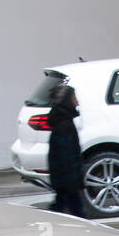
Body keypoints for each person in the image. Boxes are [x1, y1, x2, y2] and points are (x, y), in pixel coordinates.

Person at [47, 85, 84, 216]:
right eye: (74, 98)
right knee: (77, 214)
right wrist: (74, 181)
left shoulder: (63, 122)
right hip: (68, 182)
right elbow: (66, 156)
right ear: (66, 100)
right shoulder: (64, 125)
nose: (77, 101)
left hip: (65, 182)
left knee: (60, 208)